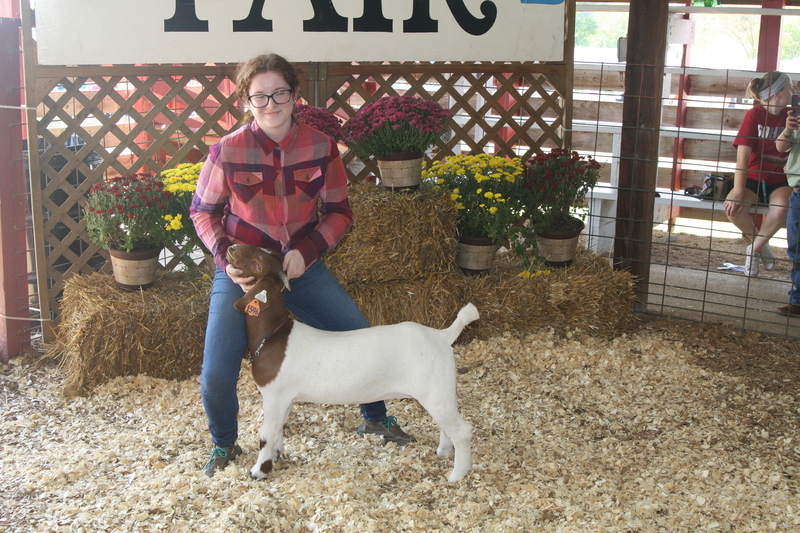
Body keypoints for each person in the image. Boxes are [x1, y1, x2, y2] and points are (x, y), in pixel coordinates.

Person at [190, 53, 415, 478]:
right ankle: (224, 444)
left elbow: (339, 212)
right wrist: (225, 260)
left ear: (295, 95)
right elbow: (202, 212)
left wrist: (307, 251)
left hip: (300, 269)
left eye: (280, 93)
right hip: (246, 278)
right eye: (260, 96)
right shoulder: (227, 150)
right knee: (216, 372)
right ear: (245, 101)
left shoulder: (321, 146)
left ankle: (375, 417)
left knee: (358, 335)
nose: (271, 104)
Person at [724, 71, 794, 277]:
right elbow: (742, 159)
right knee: (732, 208)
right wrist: (737, 191)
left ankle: (752, 250)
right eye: (789, 87)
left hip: (781, 179)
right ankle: (761, 246)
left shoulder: (791, 115)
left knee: (782, 208)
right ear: (777, 94)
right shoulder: (754, 115)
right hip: (753, 177)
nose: (793, 91)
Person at [776, 98, 800, 315]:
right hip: (798, 193)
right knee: (796, 248)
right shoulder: (797, 122)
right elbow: (781, 147)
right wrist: (787, 128)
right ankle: (798, 300)